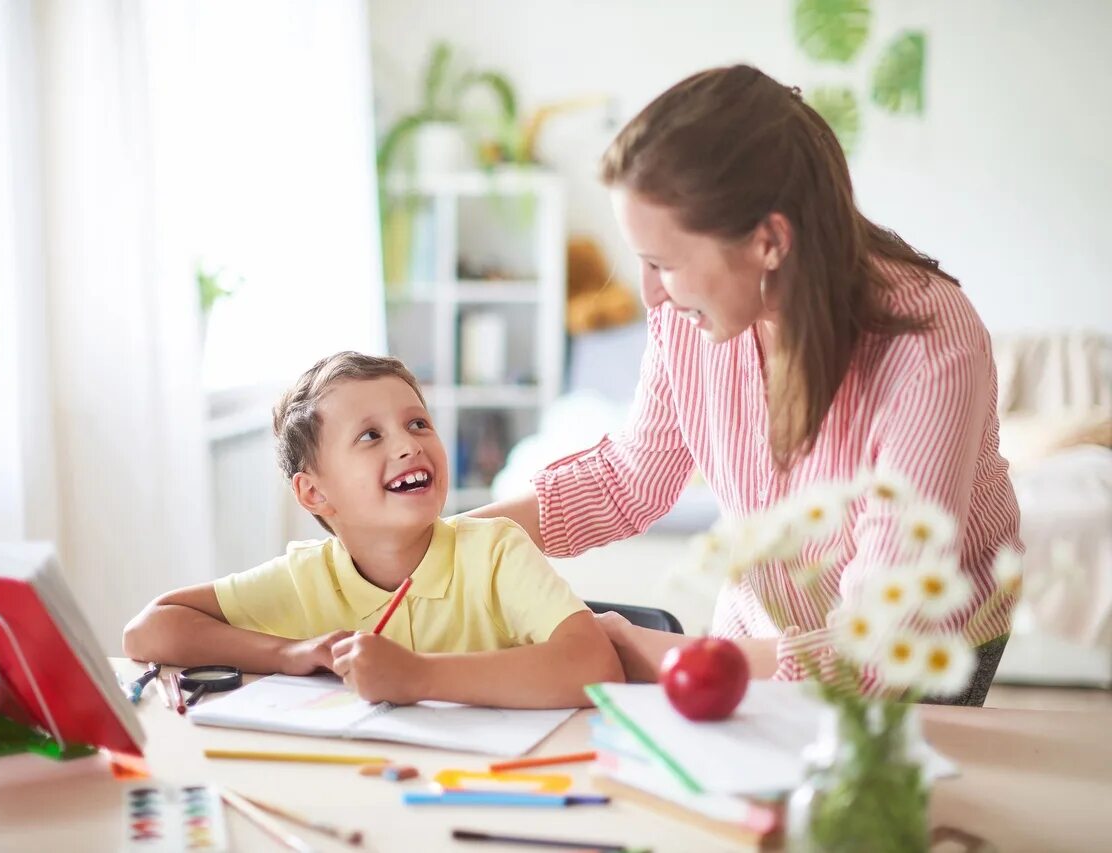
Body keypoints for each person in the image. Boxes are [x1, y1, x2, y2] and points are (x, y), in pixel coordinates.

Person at [469, 65, 1021, 706]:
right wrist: (453, 544)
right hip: (762, 623)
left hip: (914, 643)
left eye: (664, 265)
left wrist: (669, 654)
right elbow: (630, 476)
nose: (650, 295)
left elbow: (881, 646)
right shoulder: (685, 315)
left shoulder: (928, 344)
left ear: (769, 241)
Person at [123, 351, 622, 708]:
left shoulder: (494, 551)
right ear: (314, 494)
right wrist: (289, 653)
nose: (408, 445)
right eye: (371, 435)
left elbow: (596, 668)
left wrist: (419, 676)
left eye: (418, 424)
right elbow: (149, 630)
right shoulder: (308, 576)